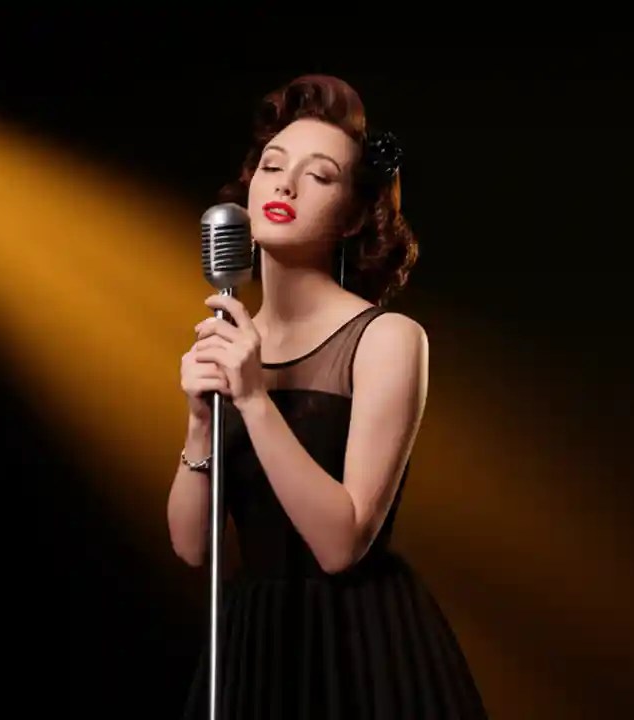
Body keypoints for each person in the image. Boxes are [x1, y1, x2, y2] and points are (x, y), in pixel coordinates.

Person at [167, 74, 488, 718]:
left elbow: (342, 544)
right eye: (272, 165)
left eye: (318, 176)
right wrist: (201, 426)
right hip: (253, 643)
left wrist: (256, 399)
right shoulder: (233, 338)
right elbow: (191, 546)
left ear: (351, 217)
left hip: (356, 651)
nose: (283, 184)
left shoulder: (388, 340)